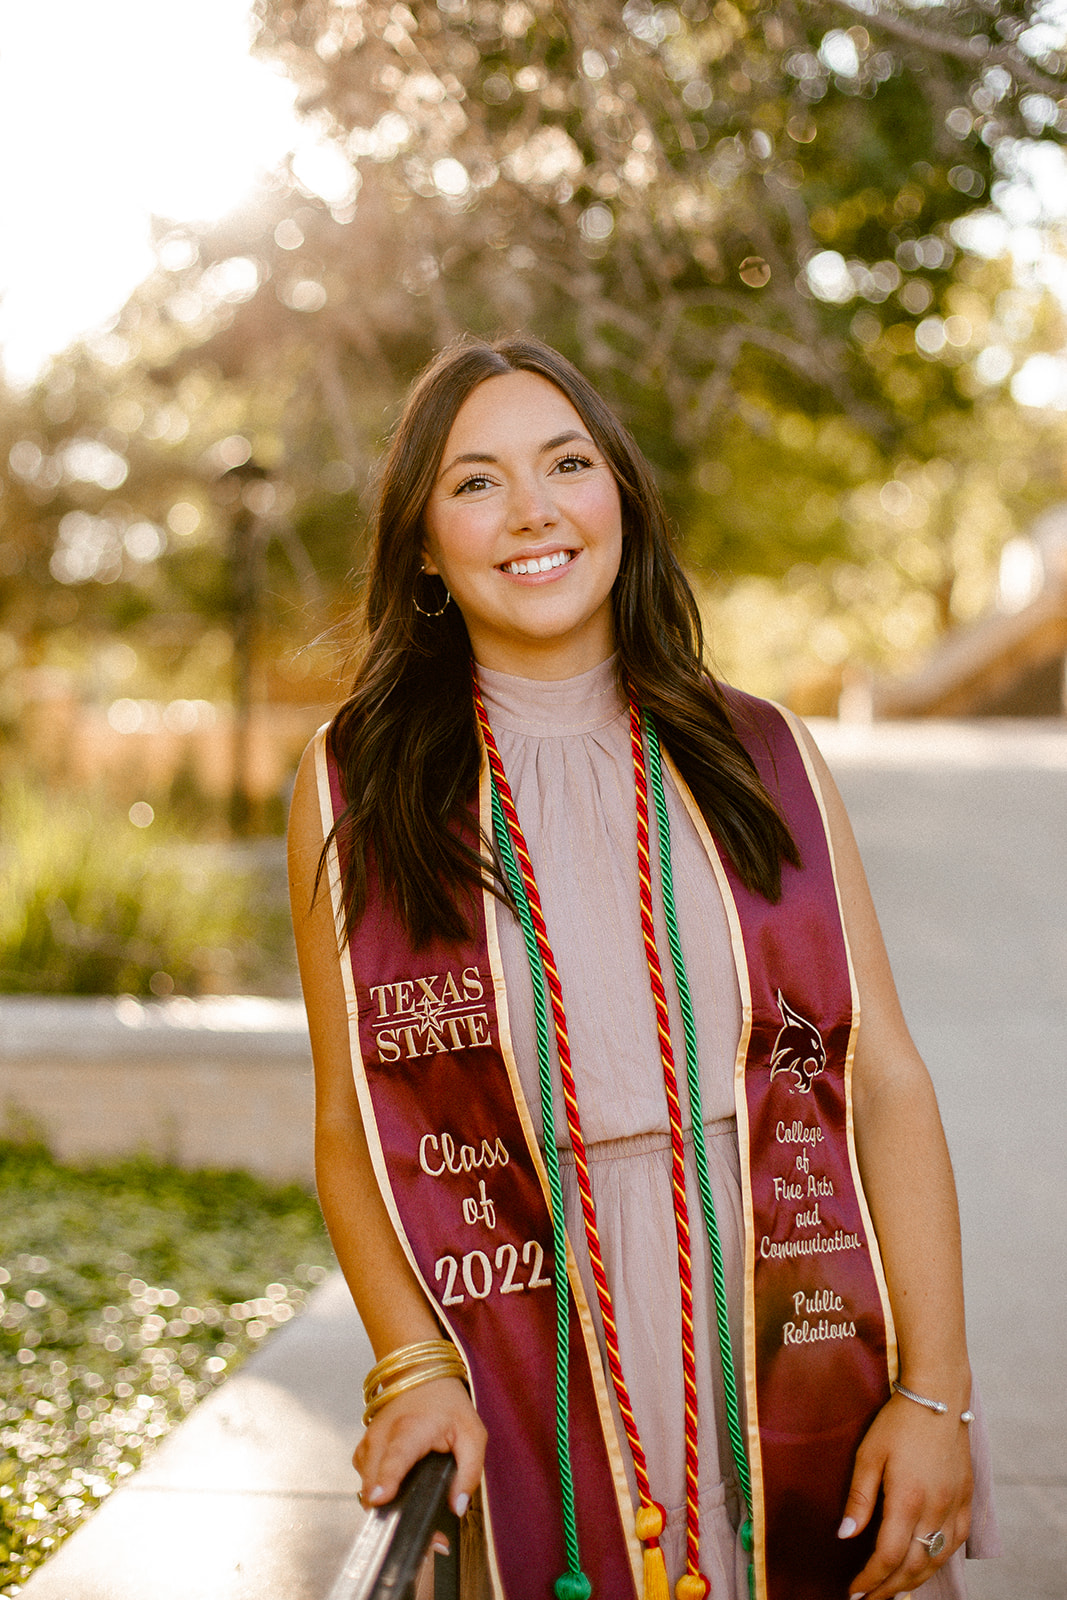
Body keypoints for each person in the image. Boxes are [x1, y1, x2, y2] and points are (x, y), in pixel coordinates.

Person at [287, 335, 998, 1600]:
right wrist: (413, 1363)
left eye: (566, 463)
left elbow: (879, 1075)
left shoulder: (761, 755)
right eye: (476, 482)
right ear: (424, 546)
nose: (533, 509)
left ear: (619, 492)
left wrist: (934, 1392)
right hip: (533, 1338)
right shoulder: (361, 783)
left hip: (786, 1312)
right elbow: (352, 1122)